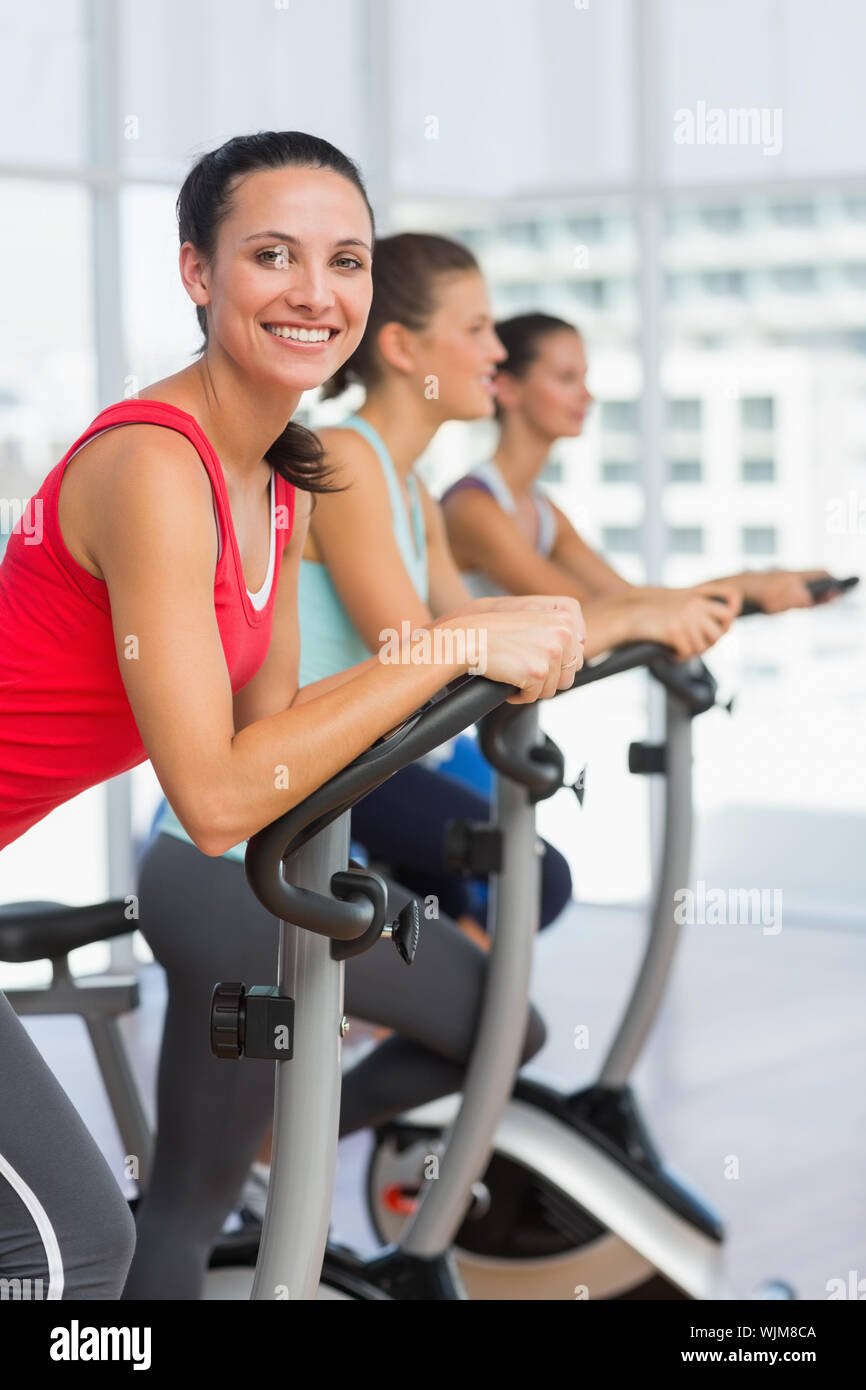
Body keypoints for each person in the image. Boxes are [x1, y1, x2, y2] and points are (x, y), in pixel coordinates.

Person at [0, 133, 584, 1300]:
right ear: (197, 273)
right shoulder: (153, 466)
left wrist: (440, 672)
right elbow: (215, 799)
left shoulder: (279, 479)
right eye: (273, 255)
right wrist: (451, 645)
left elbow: (277, 745)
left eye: (346, 261)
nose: (316, 293)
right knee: (68, 1253)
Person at [442, 311, 837, 642]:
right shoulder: (474, 508)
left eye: (584, 377)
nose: (587, 396)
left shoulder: (542, 511)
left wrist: (755, 585)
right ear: (508, 390)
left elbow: (624, 598)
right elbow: (586, 613)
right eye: (566, 379)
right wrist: (745, 586)